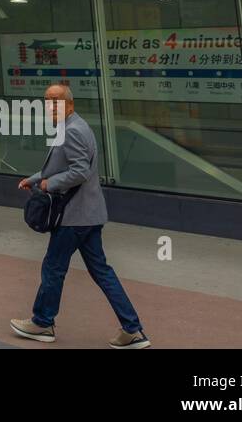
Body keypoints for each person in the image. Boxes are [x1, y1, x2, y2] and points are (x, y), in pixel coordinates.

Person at [11, 83, 151, 349]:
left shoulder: (73, 131)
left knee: (53, 267)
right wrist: (33, 179)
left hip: (74, 217)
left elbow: (79, 172)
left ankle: (42, 323)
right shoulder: (71, 127)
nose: (50, 105)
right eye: (47, 100)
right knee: (101, 271)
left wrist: (47, 185)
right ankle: (132, 329)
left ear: (70, 104)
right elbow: (60, 166)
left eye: (56, 100)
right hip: (89, 214)